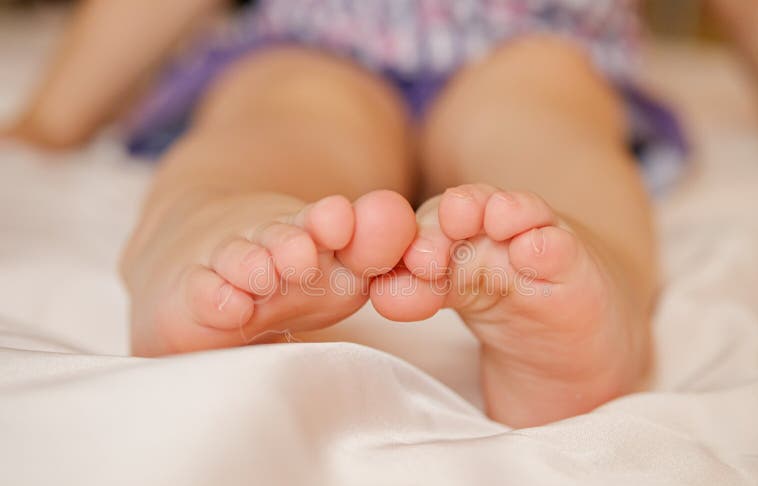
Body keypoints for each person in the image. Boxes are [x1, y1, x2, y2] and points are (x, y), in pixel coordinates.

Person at [3, 0, 678, 428]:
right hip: (314, 35)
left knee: (545, 129)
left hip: (538, 39)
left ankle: (589, 282)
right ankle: (214, 221)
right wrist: (50, 119)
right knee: (285, 119)